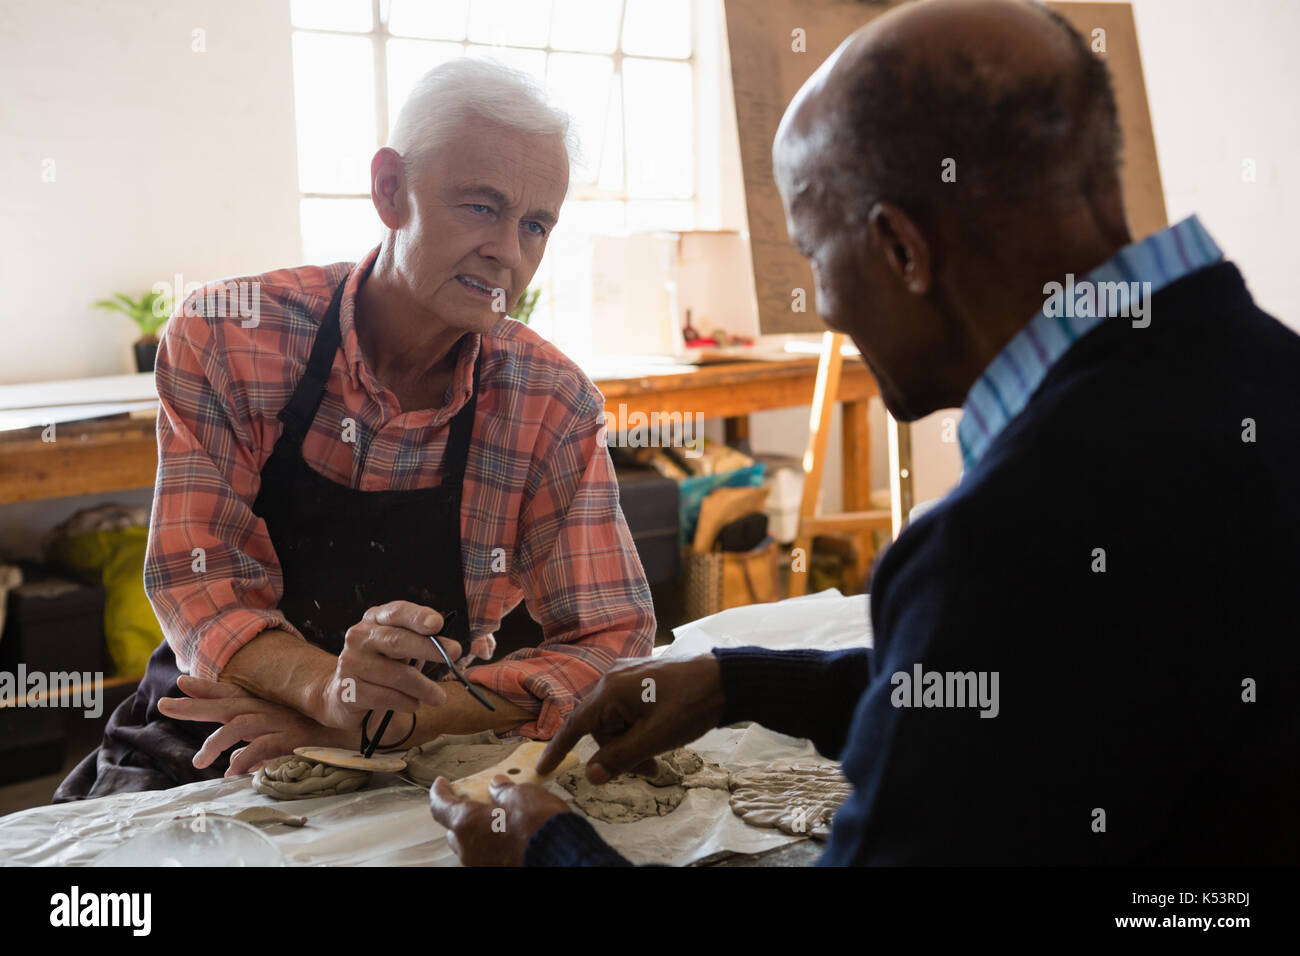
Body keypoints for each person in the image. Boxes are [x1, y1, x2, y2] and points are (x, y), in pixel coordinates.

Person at [429, 0, 1300, 865]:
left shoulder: (1006, 547)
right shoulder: (1261, 379)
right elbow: (1055, 693)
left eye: (814, 256)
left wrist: (547, 853)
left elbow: (1016, 650)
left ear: (902, 249)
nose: (828, 307)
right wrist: (744, 682)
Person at [55, 60, 655, 801]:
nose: (510, 251)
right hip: (207, 734)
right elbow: (197, 581)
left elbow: (610, 642)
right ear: (390, 190)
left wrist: (393, 724)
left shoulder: (550, 402)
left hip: (414, 754)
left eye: (536, 225)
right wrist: (329, 692)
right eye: (480, 208)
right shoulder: (232, 334)